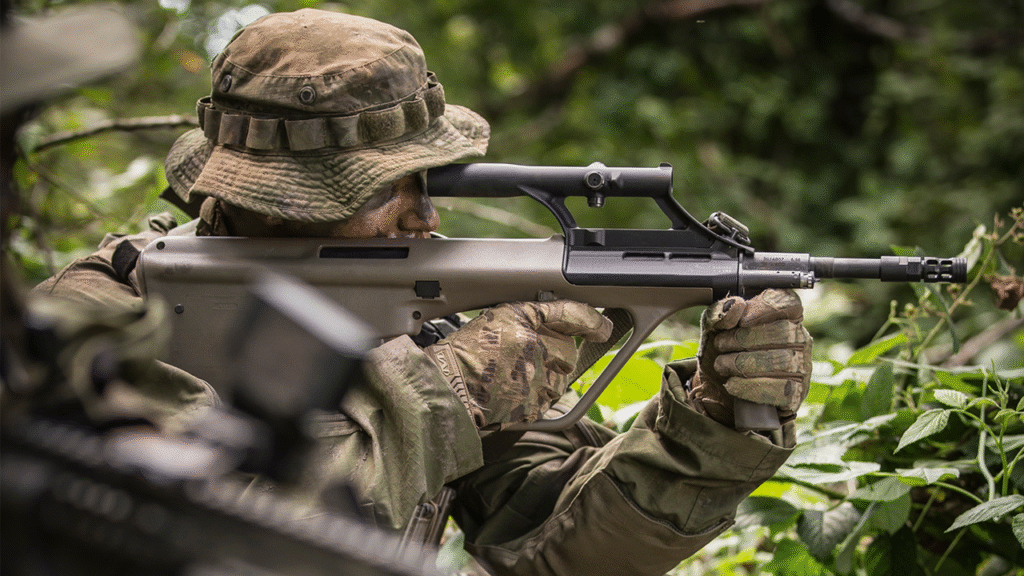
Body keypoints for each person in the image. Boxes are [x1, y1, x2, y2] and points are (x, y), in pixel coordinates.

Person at [32, 9, 812, 576]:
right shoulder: (94, 326)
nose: (427, 216)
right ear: (278, 195)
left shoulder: (402, 320)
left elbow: (549, 546)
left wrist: (709, 429)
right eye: (387, 188)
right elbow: (195, 534)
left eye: (430, 182)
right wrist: (448, 395)